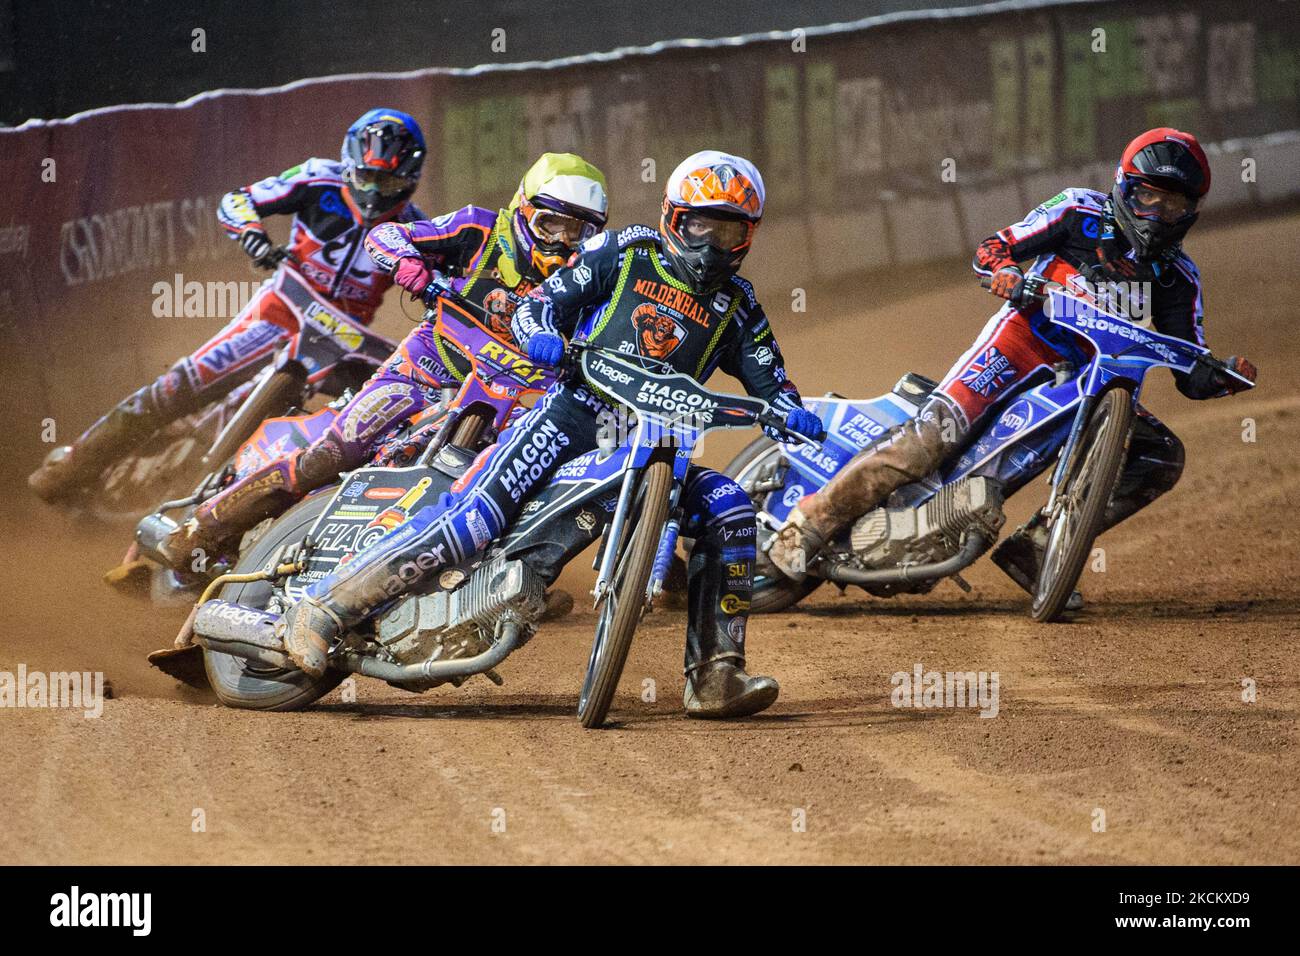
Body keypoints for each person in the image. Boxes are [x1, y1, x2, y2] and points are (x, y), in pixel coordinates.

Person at [276, 149, 825, 718]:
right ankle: (325, 609)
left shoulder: (738, 308)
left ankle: (715, 675)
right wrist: (539, 331)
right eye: (700, 225)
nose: (711, 244)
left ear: (748, 235)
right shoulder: (622, 251)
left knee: (729, 506)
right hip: (570, 414)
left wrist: (790, 410)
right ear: (673, 216)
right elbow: (542, 303)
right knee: (474, 519)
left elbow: (771, 381)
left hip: (660, 441)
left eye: (728, 230)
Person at [766, 128, 1257, 600]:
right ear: (1124, 188)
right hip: (1020, 344)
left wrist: (1222, 375)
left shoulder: (1179, 278)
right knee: (929, 440)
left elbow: (1188, 363)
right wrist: (1004, 272)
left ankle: (1039, 549)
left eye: (1175, 204)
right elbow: (994, 247)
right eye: (1150, 197)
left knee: (1160, 456)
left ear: (1192, 210)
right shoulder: (1077, 211)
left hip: (1091, 381)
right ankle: (809, 524)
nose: (1160, 213)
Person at [162, 153, 610, 564]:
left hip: (513, 400)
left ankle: (505, 574)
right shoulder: (479, 229)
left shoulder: (590, 276)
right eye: (554, 224)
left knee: (515, 486)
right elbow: (387, 234)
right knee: (333, 453)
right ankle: (203, 527)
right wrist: (408, 264)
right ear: (525, 209)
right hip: (429, 369)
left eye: (580, 231)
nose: (564, 241)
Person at [29, 109, 428, 502]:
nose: (375, 192)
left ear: (409, 180)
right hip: (282, 308)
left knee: (348, 424)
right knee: (182, 384)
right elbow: (238, 201)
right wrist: (253, 236)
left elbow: (450, 286)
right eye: (369, 176)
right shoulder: (317, 178)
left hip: (342, 340)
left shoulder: (416, 230)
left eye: (389, 181)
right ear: (348, 164)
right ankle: (75, 463)